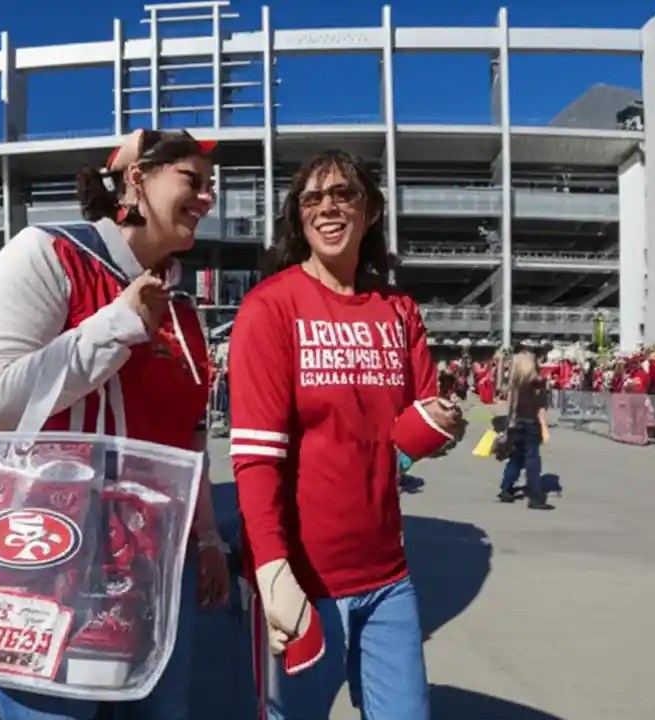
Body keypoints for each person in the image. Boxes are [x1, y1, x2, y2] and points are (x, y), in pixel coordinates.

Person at [0, 128, 230, 720]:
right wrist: (114, 326)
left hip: (161, 569)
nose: (207, 198)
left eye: (209, 186)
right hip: (52, 564)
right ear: (137, 179)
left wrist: (207, 536)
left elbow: (188, 440)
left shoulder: (183, 310)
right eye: (191, 180)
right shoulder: (46, 253)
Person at [228, 150, 464, 719]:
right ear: (298, 217)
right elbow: (256, 458)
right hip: (302, 578)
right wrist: (271, 569)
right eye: (312, 198)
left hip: (388, 578)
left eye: (344, 194)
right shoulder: (270, 307)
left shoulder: (399, 310)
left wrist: (438, 426)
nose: (328, 207)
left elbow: (402, 441)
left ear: (372, 210)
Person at [498, 351, 552, 509]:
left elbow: (510, 404)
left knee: (516, 457)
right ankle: (535, 496)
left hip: (516, 423)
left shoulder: (515, 382)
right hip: (531, 424)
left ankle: (505, 488)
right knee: (533, 460)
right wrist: (545, 428)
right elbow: (540, 408)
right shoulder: (538, 382)